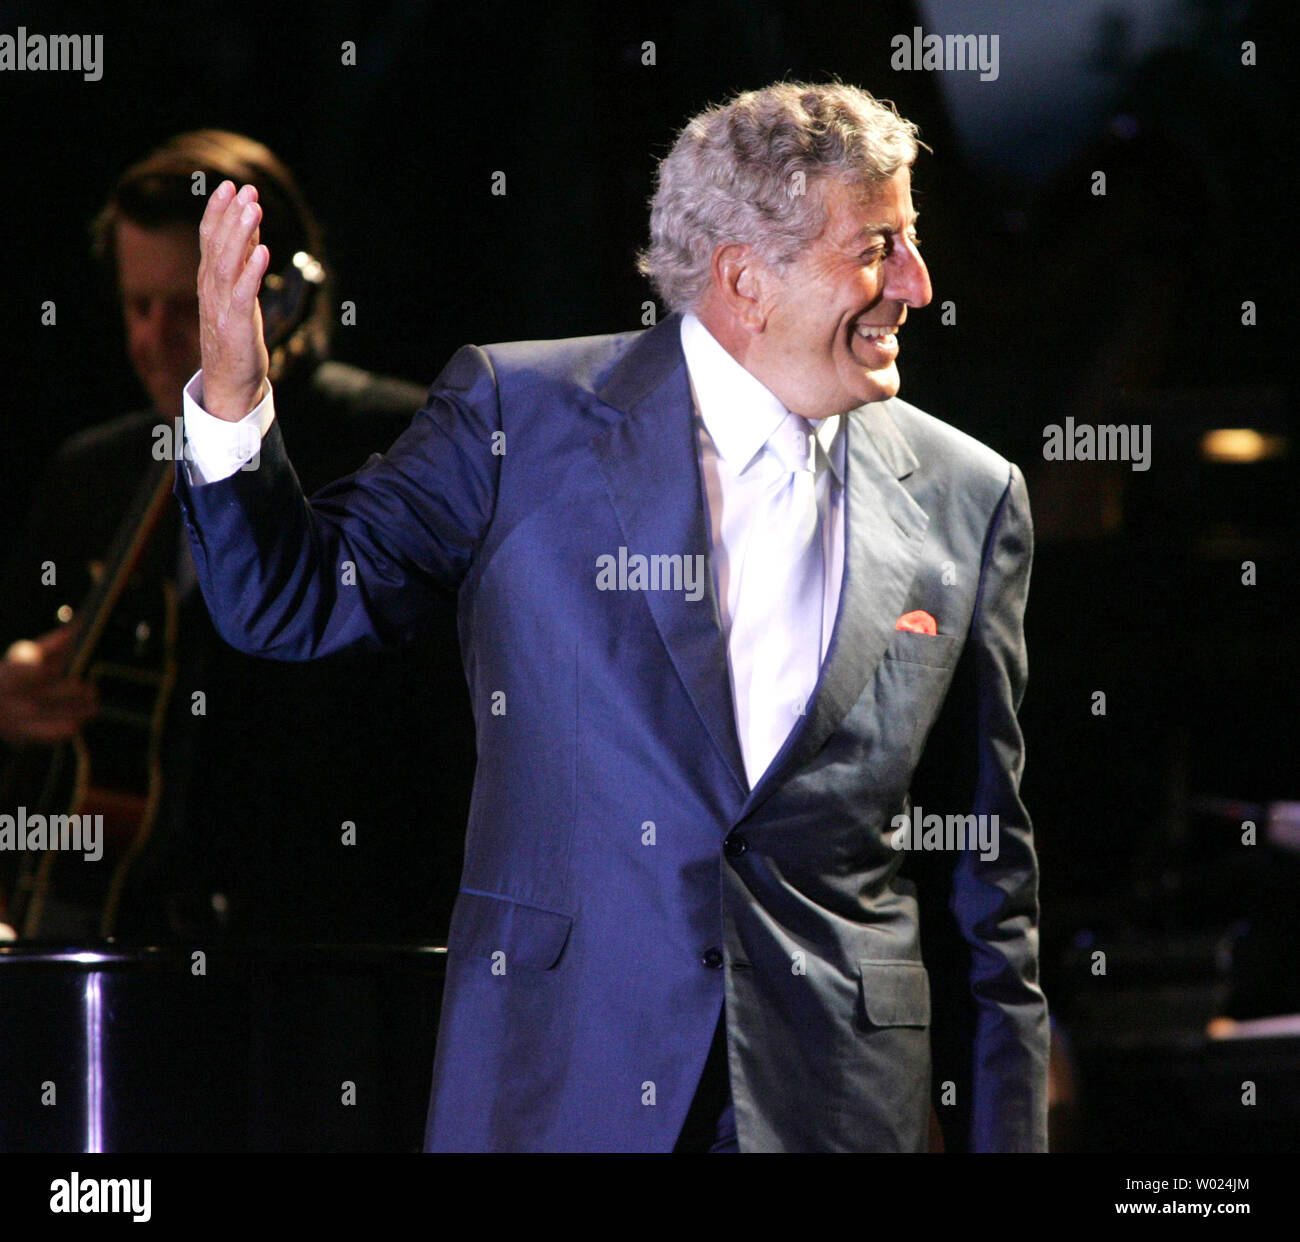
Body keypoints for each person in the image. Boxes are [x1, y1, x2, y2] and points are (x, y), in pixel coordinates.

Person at [177, 83, 1048, 1152]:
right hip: (559, 1086)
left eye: (906, 242)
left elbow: (984, 886)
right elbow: (293, 601)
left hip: (836, 1106)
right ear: (743, 279)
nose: (915, 284)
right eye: (875, 248)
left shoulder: (969, 492)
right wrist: (229, 402)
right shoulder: (517, 415)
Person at [0, 131, 472, 943]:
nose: (153, 339)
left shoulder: (399, 438)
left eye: (186, 305)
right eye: (135, 307)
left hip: (334, 932)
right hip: (119, 936)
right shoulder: (89, 472)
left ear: (266, 289)